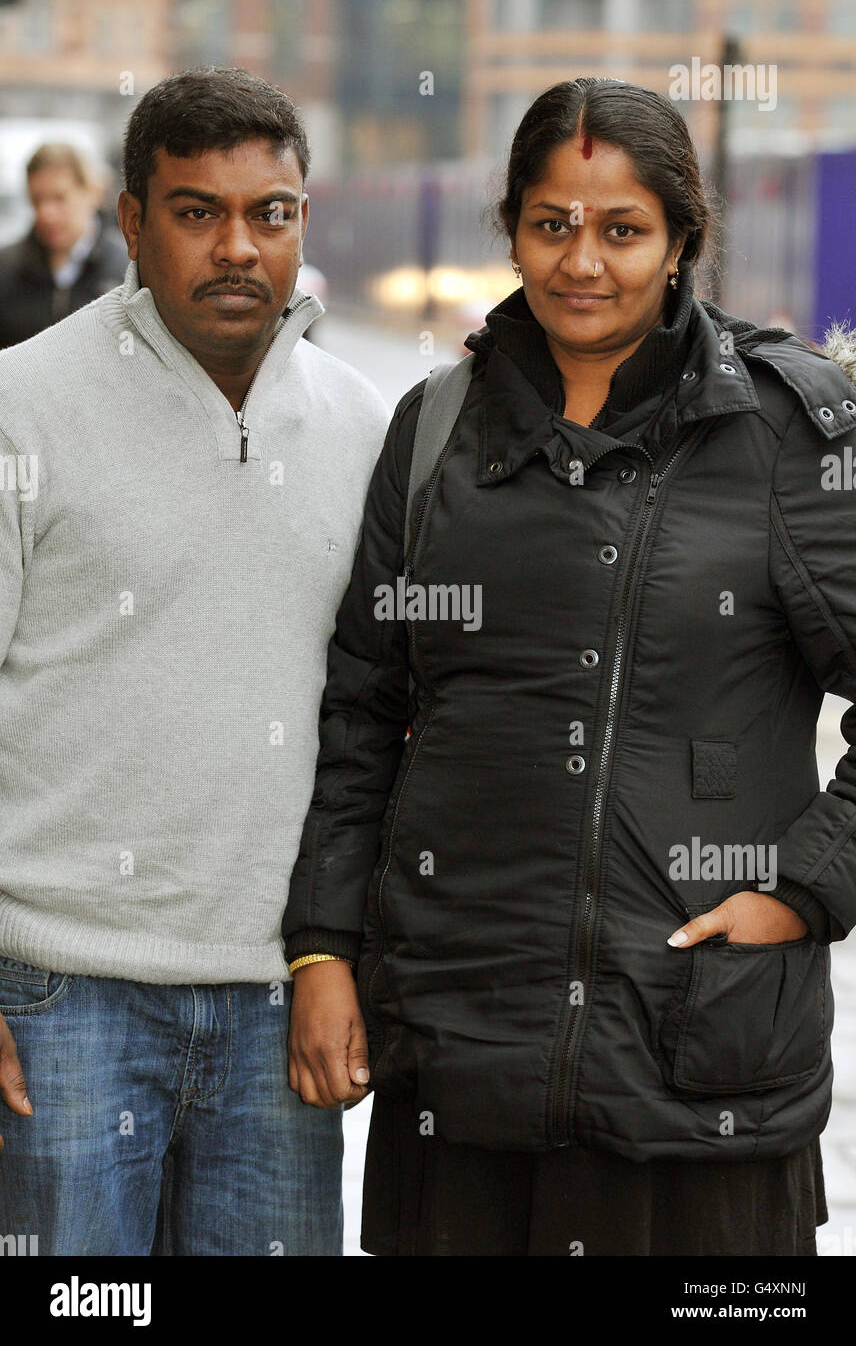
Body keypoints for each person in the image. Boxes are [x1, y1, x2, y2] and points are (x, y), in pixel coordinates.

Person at [283, 76, 856, 1257]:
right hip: (461, 1061)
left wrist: (802, 889)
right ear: (511, 230)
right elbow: (363, 707)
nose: (581, 261)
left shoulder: (789, 440)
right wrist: (325, 947)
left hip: (700, 1075)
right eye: (551, 225)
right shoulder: (437, 430)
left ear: (682, 241)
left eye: (621, 230)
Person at [0, 66, 389, 1256]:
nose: (237, 248)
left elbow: (378, 720)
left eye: (268, 214)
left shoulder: (365, 426)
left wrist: (343, 954)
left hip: (282, 999)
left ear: (302, 223)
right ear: (131, 222)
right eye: (195, 212)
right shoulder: (23, 406)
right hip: (61, 995)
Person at [0, 142, 127, 349]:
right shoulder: (6, 268)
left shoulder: (126, 270)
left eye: (59, 198)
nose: (46, 213)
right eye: (37, 200)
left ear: (91, 193)